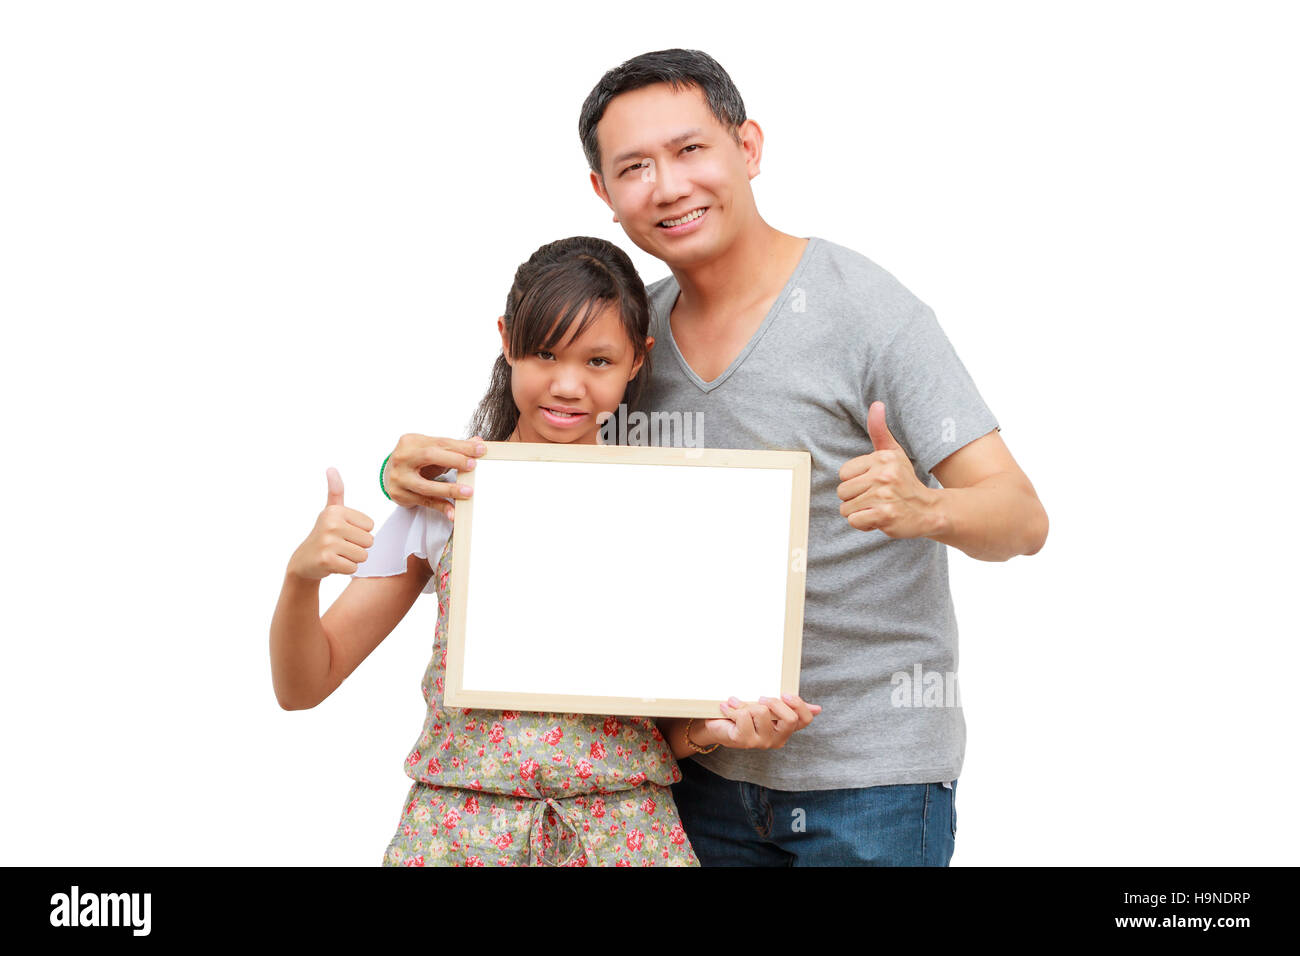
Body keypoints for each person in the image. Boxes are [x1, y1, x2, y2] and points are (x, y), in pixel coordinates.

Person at [378, 50, 1049, 867]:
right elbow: (533, 468)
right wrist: (403, 478)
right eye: (635, 167)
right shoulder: (624, 343)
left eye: (690, 149)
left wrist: (927, 507)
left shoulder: (870, 311)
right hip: (688, 777)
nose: (667, 185)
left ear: (749, 147)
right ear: (604, 194)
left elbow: (1022, 518)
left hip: (869, 783)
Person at [270, 236, 820, 867]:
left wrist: (711, 732)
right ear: (507, 340)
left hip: (624, 835)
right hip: (460, 834)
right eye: (544, 353)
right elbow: (304, 685)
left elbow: (660, 720)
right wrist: (299, 577)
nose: (566, 385)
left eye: (598, 361)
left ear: (637, 361)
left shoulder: (669, 510)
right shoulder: (447, 498)